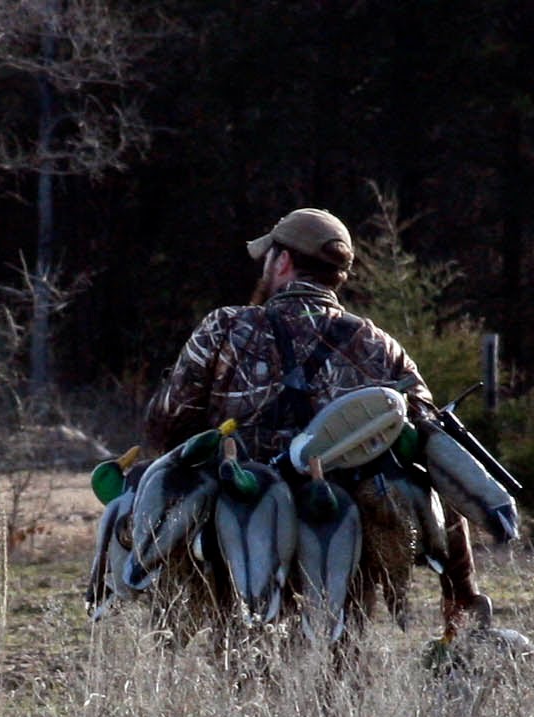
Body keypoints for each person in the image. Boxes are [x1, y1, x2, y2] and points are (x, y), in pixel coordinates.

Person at [143, 207, 491, 636]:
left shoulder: (225, 327)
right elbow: (434, 454)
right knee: (340, 662)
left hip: (238, 527)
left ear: (283, 261)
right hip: (341, 532)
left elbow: (165, 423)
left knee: (241, 659)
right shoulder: (379, 346)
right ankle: (458, 605)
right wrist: (461, 587)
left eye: (268, 256)